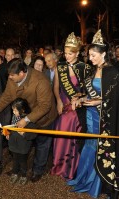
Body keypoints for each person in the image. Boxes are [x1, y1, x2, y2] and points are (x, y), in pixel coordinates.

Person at [68, 29, 119, 198]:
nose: (90, 58)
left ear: (104, 54)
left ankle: (98, 184)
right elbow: (87, 91)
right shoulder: (92, 70)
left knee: (98, 148)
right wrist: (79, 98)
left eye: (94, 55)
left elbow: (116, 100)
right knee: (89, 146)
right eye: (89, 55)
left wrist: (100, 101)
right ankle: (85, 178)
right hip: (90, 115)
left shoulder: (113, 74)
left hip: (105, 119)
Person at [0, 58, 57, 183]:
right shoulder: (13, 77)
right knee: (24, 143)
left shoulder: (40, 81)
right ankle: (19, 168)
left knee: (41, 145)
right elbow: (7, 96)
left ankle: (37, 170)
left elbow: (45, 106)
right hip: (24, 115)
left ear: (22, 73)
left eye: (12, 75)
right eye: (9, 75)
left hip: (43, 119)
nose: (10, 77)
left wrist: (27, 119)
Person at [51, 32, 93, 180]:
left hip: (77, 107)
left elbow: (89, 90)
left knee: (72, 133)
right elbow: (56, 87)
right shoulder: (60, 67)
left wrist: (79, 98)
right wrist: (58, 101)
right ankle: (59, 165)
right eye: (66, 53)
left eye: (70, 53)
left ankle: (72, 167)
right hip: (63, 104)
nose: (67, 56)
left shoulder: (85, 68)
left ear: (77, 54)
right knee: (61, 132)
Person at [7, 98, 37, 185]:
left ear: (22, 110)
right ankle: (15, 173)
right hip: (13, 144)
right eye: (13, 110)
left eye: (15, 110)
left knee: (23, 161)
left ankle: (24, 175)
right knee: (15, 159)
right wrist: (8, 132)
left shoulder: (29, 120)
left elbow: (34, 134)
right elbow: (10, 127)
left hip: (23, 146)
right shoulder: (14, 117)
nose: (13, 112)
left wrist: (24, 133)